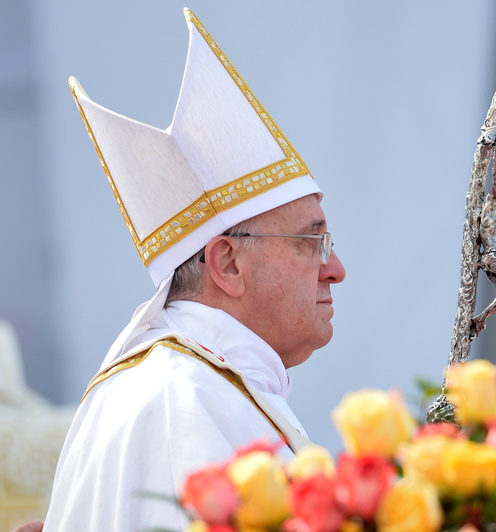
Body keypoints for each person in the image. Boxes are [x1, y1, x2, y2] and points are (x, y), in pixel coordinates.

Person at [38, 9, 345, 531]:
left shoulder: (206, 385)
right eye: (310, 242)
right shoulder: (178, 400)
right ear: (227, 262)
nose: (334, 269)